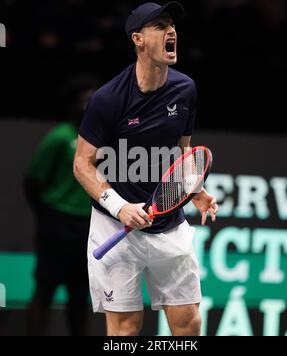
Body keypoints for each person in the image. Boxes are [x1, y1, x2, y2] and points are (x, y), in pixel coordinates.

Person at [74, 2, 218, 336]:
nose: (172, 31)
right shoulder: (108, 99)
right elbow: (82, 164)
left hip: (168, 225)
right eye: (160, 26)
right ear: (138, 39)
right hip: (116, 227)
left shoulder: (185, 90)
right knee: (125, 330)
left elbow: (182, 153)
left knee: (188, 326)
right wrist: (120, 207)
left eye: (172, 26)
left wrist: (193, 190)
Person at [24, 76, 99, 336]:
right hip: (57, 223)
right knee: (44, 290)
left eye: (94, 100)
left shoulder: (100, 144)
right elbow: (32, 182)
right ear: (72, 106)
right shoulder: (59, 138)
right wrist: (47, 217)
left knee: (79, 296)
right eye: (84, 100)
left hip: (87, 228)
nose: (90, 104)